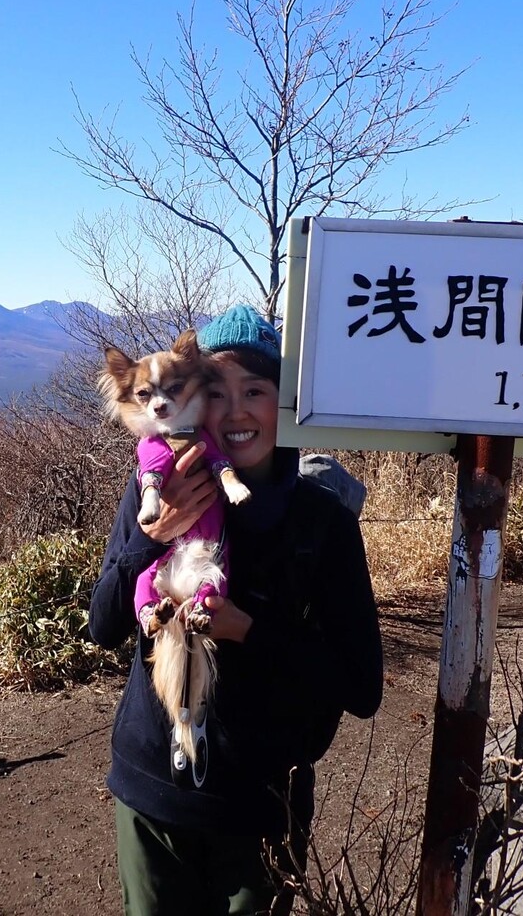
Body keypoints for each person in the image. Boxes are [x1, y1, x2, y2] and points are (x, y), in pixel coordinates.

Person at [89, 304, 384, 915]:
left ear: (286, 403)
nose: (233, 411)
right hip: (151, 790)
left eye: (255, 391)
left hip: (261, 803)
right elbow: (104, 624)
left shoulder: (320, 523)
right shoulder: (155, 492)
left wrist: (248, 629)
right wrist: (152, 535)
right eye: (216, 393)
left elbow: (362, 687)